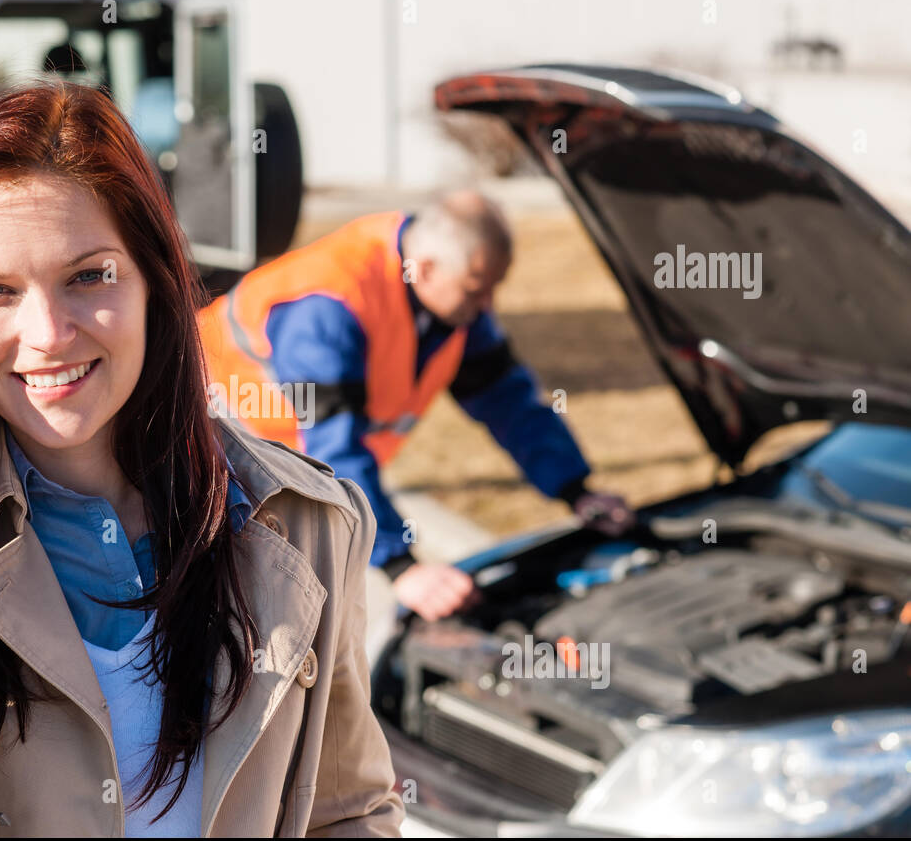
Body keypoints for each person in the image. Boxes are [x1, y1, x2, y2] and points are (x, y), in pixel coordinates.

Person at [0, 80, 403, 837]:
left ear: (153, 284)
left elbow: (350, 810)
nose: (47, 333)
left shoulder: (300, 521)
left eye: (89, 276)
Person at [198, 191, 634, 624]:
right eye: (477, 290)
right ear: (424, 270)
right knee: (251, 618)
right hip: (208, 450)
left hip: (285, 465)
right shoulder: (330, 305)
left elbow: (510, 404)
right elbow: (332, 448)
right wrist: (400, 567)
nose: (488, 306)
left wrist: (577, 489)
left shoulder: (454, 301)